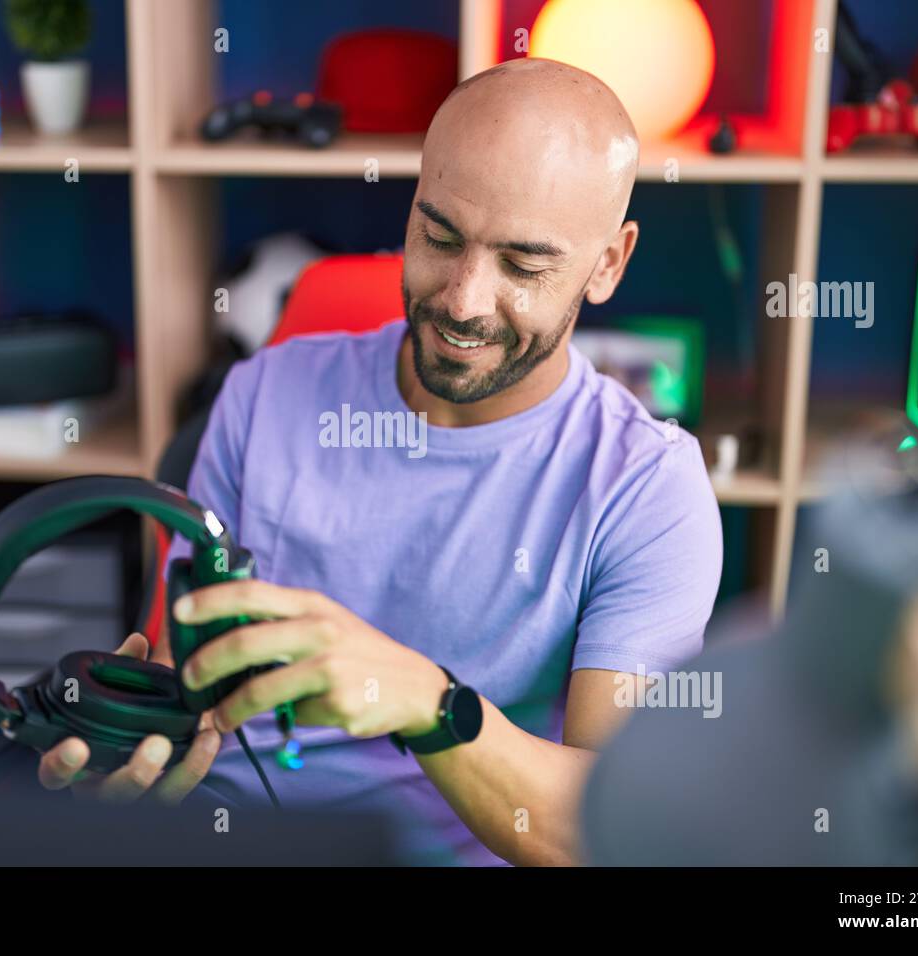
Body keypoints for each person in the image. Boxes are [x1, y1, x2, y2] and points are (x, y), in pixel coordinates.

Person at [38, 58, 723, 866]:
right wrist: (135, 740)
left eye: (523, 266)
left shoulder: (649, 490)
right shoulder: (263, 393)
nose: (464, 300)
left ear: (607, 263)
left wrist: (430, 705)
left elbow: (614, 832)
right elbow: (195, 679)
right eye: (440, 237)